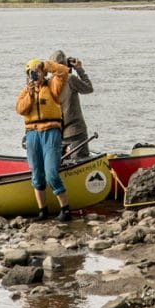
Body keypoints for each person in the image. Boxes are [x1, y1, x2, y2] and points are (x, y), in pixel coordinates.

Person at [16, 57, 73, 222]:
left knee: (51, 173)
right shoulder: (26, 92)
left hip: (51, 132)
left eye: (37, 71)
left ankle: (65, 210)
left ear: (43, 72)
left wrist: (45, 65)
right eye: (31, 72)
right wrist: (31, 93)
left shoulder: (53, 86)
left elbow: (63, 72)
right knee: (37, 174)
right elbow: (20, 109)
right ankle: (43, 211)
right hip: (32, 133)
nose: (35, 75)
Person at [48, 49, 94, 159]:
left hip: (58, 132)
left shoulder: (48, 83)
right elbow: (88, 88)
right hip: (76, 131)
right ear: (64, 64)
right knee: (81, 164)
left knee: (62, 166)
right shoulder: (70, 79)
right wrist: (79, 69)